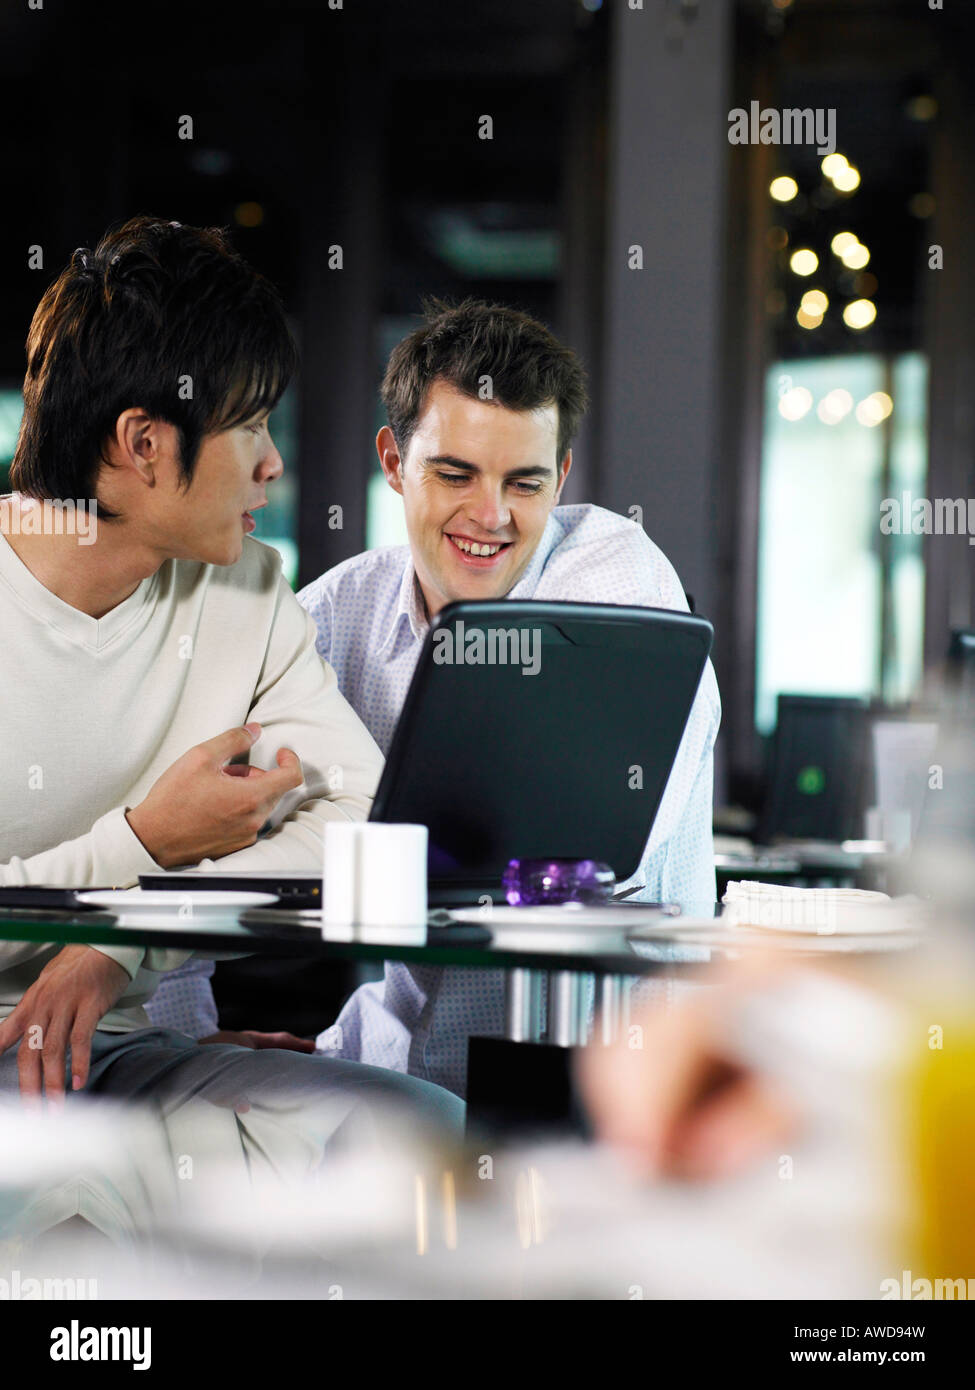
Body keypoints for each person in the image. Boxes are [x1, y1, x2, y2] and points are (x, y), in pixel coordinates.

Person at [149, 299, 721, 1097]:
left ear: (560, 477)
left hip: (622, 1091)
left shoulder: (614, 579)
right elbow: (190, 828)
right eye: (455, 474)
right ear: (392, 462)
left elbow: (569, 860)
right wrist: (183, 1040)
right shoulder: (336, 615)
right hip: (402, 1069)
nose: (490, 516)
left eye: (523, 482)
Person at [0, 218, 461, 1147]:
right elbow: (163, 841)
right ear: (143, 442)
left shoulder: (244, 585)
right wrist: (143, 843)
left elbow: (357, 824)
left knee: (412, 1132)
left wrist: (127, 935)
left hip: (117, 1061)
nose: (271, 461)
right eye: (249, 424)